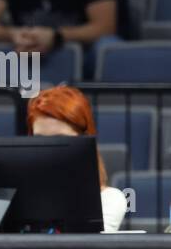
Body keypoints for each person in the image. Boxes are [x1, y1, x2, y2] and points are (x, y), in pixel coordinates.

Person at [26, 84, 129, 232]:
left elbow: (86, 248)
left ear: (84, 140)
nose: (48, 150)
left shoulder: (109, 200)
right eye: (40, 139)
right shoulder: (16, 199)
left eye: (60, 140)